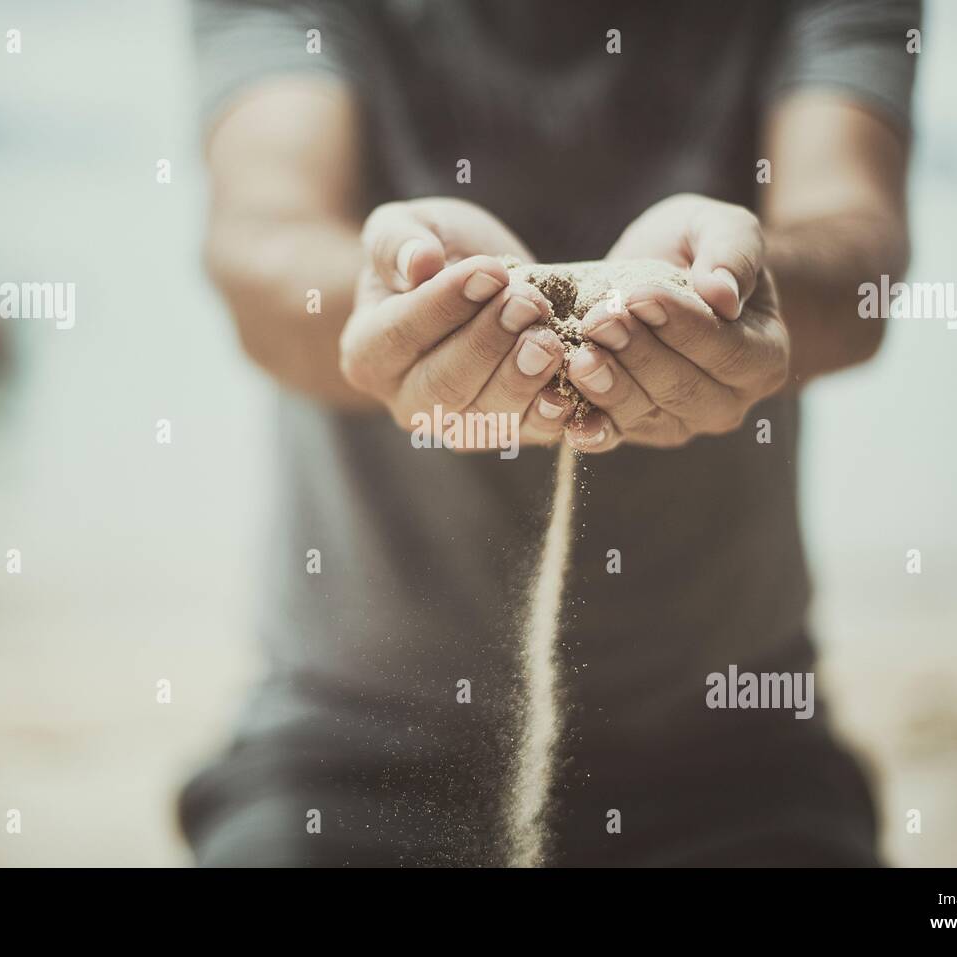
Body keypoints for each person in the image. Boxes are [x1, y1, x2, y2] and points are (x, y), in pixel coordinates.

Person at [180, 0, 917, 866]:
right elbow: (262, 244)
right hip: (348, 736)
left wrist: (748, 288)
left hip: (733, 738)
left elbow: (857, 248)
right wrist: (393, 296)